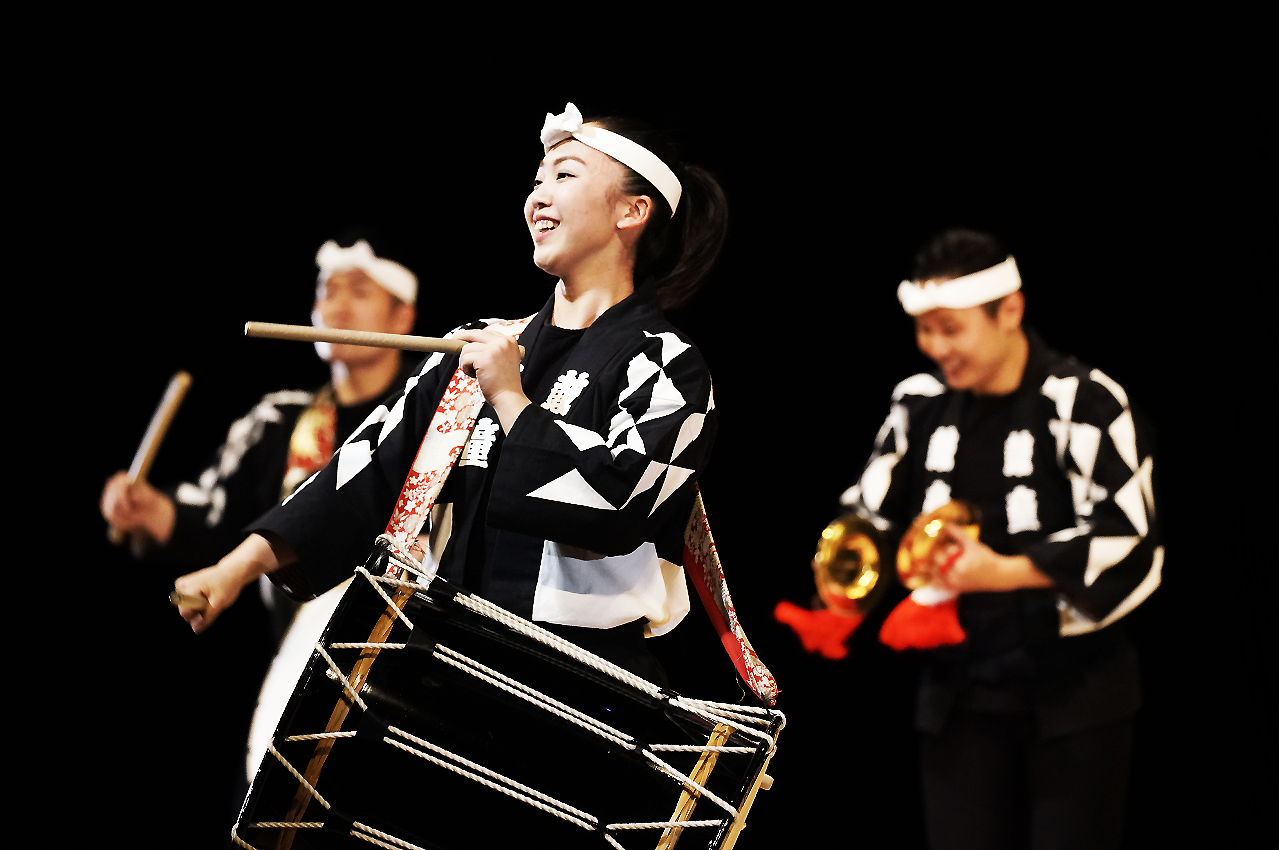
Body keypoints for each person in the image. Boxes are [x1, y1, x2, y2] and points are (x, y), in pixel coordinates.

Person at [171, 103, 730, 688]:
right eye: (536, 179)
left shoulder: (667, 364)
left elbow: (615, 508)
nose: (537, 195)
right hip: (447, 666)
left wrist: (511, 399)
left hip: (578, 685)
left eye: (564, 175)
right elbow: (363, 470)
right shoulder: (483, 351)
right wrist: (237, 568)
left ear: (632, 211)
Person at [836, 229, 1161, 850]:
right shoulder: (917, 402)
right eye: (924, 329)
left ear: (1009, 310)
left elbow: (1131, 535)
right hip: (957, 692)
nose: (934, 348)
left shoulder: (1084, 401)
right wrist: (847, 584)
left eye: (950, 329)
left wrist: (1004, 572)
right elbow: (865, 510)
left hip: (1073, 696)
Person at [101, 239, 418, 637]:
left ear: (403, 317)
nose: (337, 307)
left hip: (409, 631)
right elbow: (215, 520)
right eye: (327, 292)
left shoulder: (431, 408)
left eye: (359, 291)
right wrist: (147, 508)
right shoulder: (278, 418)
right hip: (306, 644)